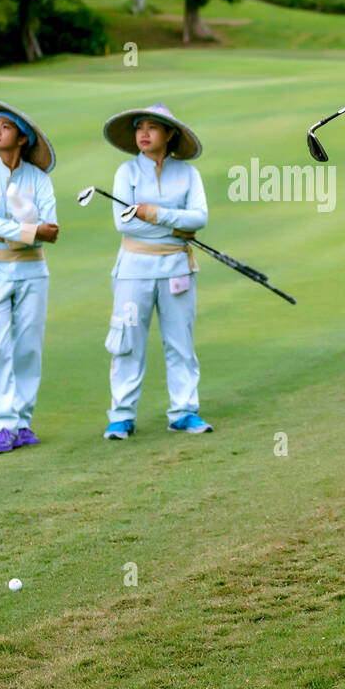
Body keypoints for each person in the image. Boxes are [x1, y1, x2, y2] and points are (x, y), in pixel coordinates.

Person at [101, 103, 212, 438]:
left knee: (180, 342)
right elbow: (126, 224)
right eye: (139, 128)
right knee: (128, 343)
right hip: (133, 269)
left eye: (152, 127)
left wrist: (153, 213)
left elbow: (200, 218)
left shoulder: (188, 174)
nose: (144, 134)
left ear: (169, 134)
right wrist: (175, 223)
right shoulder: (126, 173)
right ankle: (121, 415)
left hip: (177, 268)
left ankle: (184, 411)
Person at [0, 100, 59, 455]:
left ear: (22, 138)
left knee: (28, 346)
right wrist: (31, 231)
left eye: (4, 126)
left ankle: (22, 422)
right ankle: (3, 424)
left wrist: (32, 231)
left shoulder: (40, 179)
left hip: (34, 270)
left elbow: (52, 225)